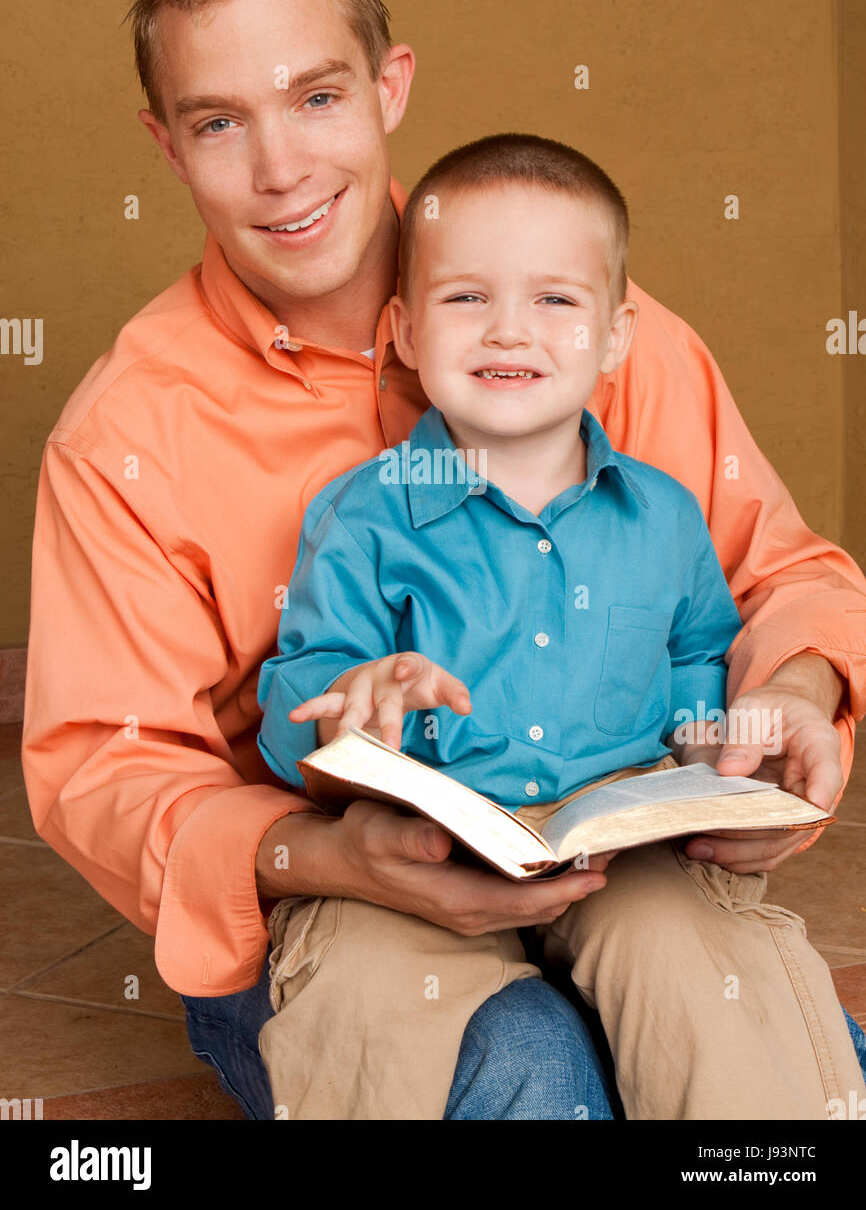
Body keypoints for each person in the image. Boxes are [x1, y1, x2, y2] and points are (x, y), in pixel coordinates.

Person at [20, 0, 866, 1122]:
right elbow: (107, 768)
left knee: (755, 1032)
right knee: (538, 1064)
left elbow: (773, 575)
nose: (280, 169)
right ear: (164, 144)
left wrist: (787, 704)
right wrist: (332, 851)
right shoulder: (122, 436)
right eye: (218, 123)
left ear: (388, 86)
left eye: (316, 96)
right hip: (337, 902)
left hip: (623, 871)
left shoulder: (584, 320)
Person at [254, 133, 866, 1120]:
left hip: (622, 856)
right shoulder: (363, 513)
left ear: (615, 338)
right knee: (363, 998)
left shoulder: (661, 515)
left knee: (710, 981)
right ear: (404, 330)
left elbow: (693, 669)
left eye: (553, 300)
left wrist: (723, 749)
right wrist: (347, 707)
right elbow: (299, 684)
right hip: (417, 860)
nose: (508, 332)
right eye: (465, 298)